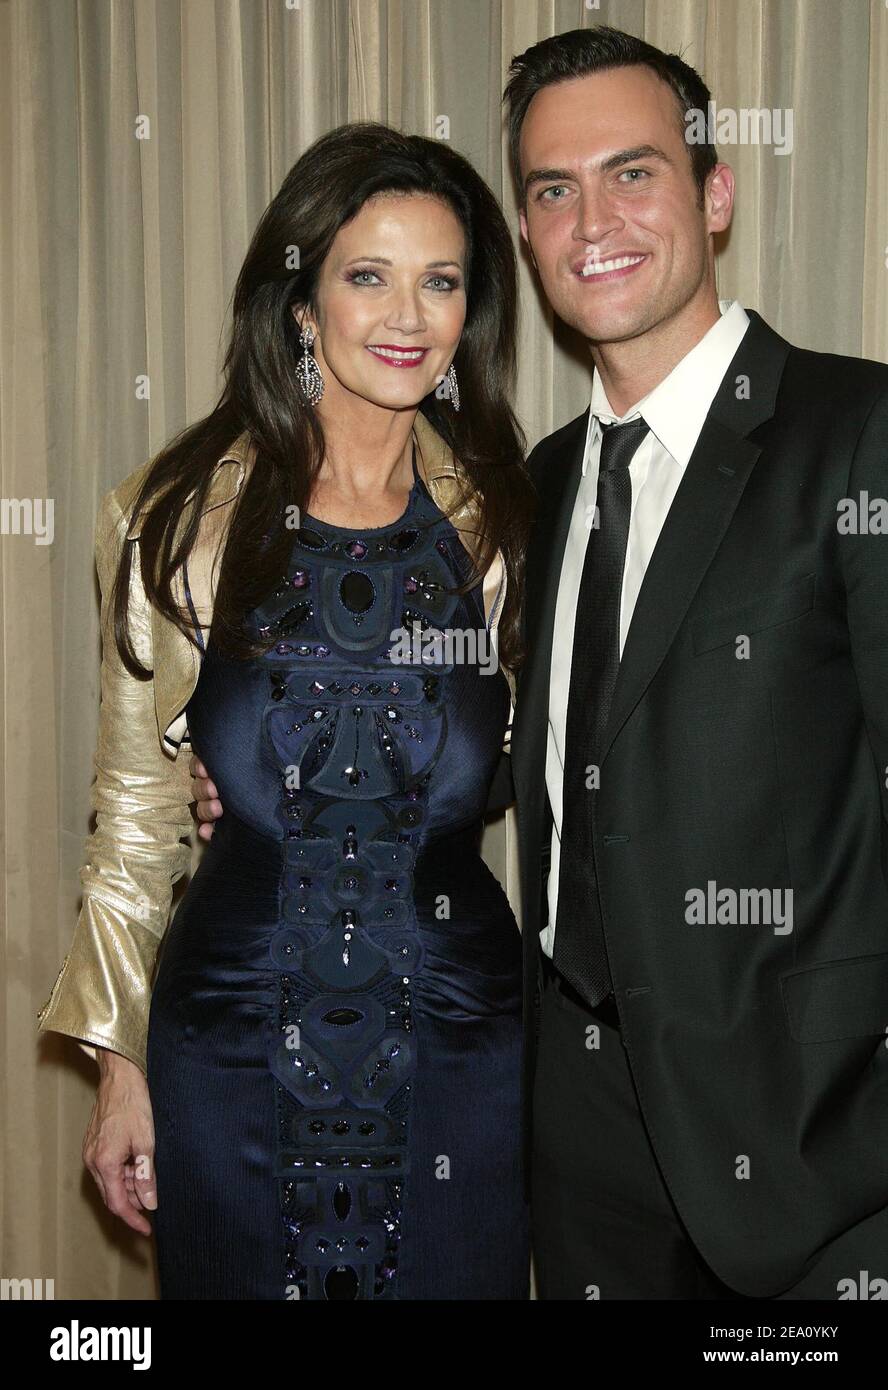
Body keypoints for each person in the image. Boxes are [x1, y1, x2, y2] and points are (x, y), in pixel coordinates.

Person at [37, 121, 535, 1300]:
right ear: (300, 303)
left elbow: (547, 763)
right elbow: (135, 817)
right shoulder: (174, 519)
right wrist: (119, 1069)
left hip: (463, 1044)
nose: (409, 314)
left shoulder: (511, 520)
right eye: (369, 275)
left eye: (443, 280)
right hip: (229, 1046)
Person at [504, 26, 888, 1299]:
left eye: (634, 172)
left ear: (714, 196)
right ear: (526, 230)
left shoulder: (859, 436)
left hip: (811, 1151)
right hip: (576, 1134)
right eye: (554, 189)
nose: (593, 220)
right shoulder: (544, 484)